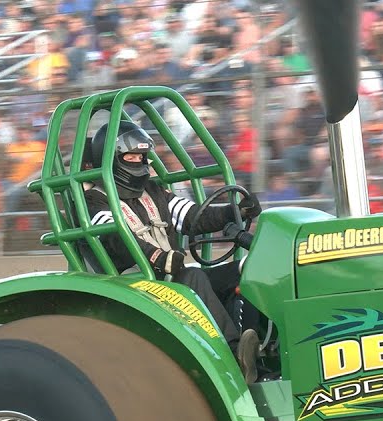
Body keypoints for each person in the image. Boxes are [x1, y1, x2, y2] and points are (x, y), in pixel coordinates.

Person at [82, 120, 264, 383]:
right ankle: (235, 355)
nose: (138, 161)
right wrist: (157, 257)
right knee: (193, 279)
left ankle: (262, 349)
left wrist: (234, 211)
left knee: (245, 269)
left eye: (142, 156)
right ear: (110, 159)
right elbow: (114, 235)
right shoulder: (94, 201)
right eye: (130, 156)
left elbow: (193, 217)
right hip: (134, 290)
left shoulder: (154, 191)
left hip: (171, 278)